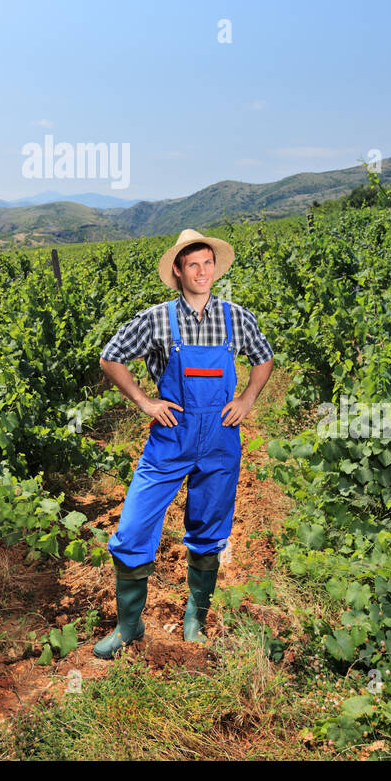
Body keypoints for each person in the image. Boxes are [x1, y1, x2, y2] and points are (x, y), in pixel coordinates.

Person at [93, 229, 274, 657]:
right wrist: (143, 400)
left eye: (208, 262)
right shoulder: (157, 319)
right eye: (193, 264)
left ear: (215, 267)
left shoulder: (235, 318)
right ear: (178, 270)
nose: (202, 271)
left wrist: (247, 400)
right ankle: (129, 626)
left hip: (220, 439)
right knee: (134, 527)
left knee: (209, 531)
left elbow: (264, 358)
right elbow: (110, 356)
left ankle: (195, 617)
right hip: (171, 437)